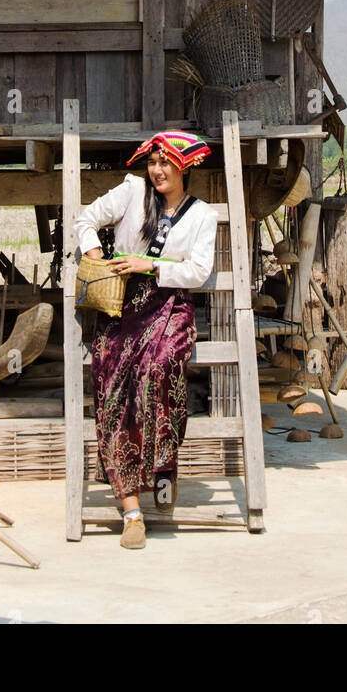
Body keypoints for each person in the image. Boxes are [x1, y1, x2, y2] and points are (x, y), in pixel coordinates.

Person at [73, 129, 218, 549]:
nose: (156, 170)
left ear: (185, 166)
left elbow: (198, 271)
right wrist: (94, 251)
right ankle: (131, 508)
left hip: (169, 306)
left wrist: (150, 265)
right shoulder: (131, 191)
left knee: (159, 372)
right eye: (152, 162)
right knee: (115, 391)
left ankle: (162, 473)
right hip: (121, 309)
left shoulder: (202, 216)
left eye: (165, 163)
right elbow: (86, 219)